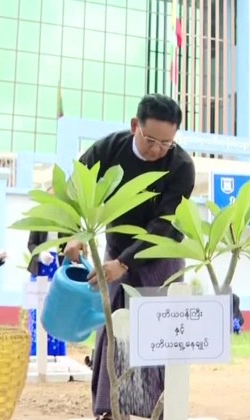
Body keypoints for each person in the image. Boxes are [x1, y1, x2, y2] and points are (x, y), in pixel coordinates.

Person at [82, 93, 195, 419]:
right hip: (115, 250)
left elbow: (166, 224)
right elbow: (79, 188)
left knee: (155, 332)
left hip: (161, 255)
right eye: (151, 140)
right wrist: (74, 234)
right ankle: (110, 409)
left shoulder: (181, 165)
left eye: (166, 143)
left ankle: (154, 411)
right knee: (113, 328)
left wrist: (126, 263)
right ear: (135, 126)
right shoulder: (108, 150)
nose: (158, 149)